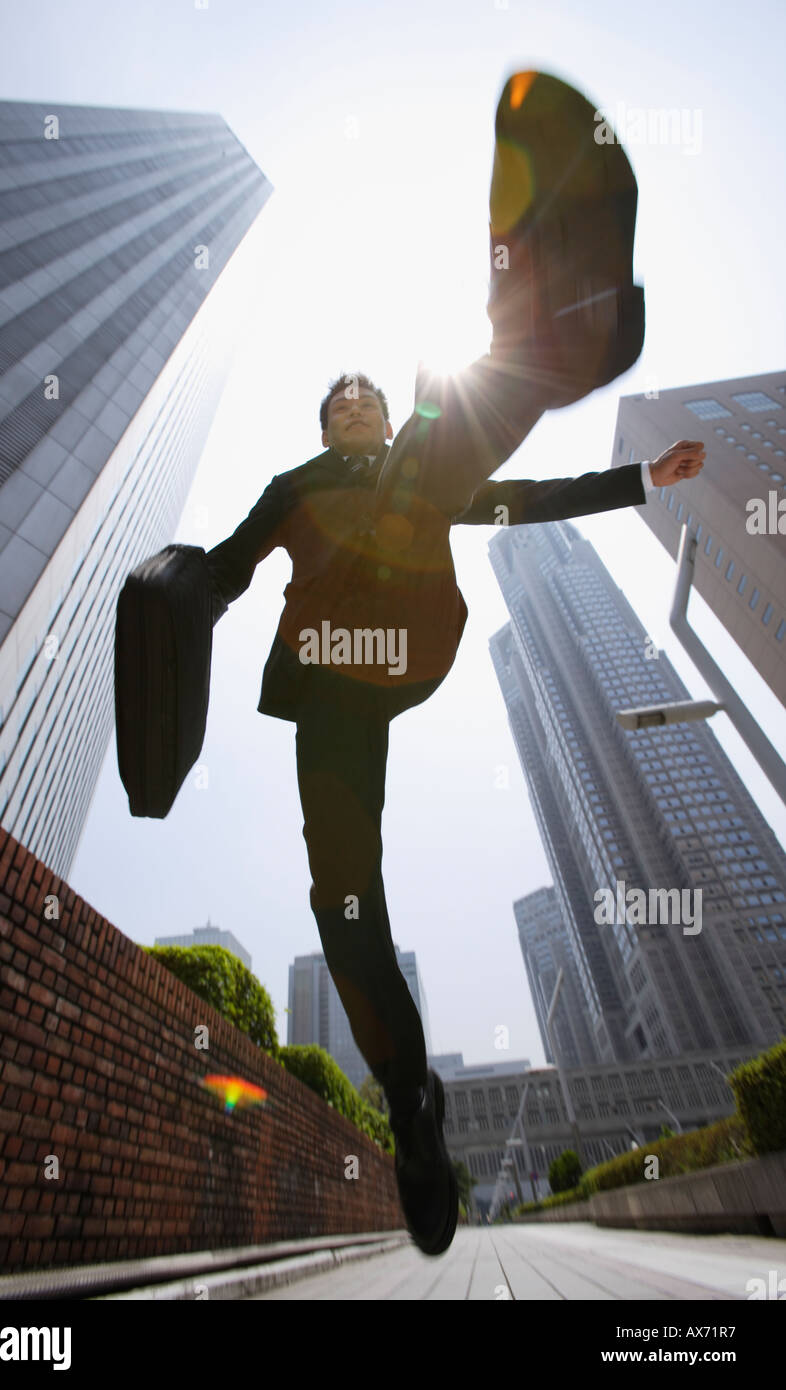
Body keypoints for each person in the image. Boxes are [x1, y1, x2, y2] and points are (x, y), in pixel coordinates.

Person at [202, 68, 705, 1256]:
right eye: (343, 405)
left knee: (446, 417)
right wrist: (176, 599)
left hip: (407, 620)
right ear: (325, 425)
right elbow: (224, 566)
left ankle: (539, 334)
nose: (357, 408)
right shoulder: (294, 488)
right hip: (337, 674)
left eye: (367, 400)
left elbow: (518, 495)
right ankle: (412, 1102)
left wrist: (638, 480)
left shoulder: (415, 452)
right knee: (341, 906)